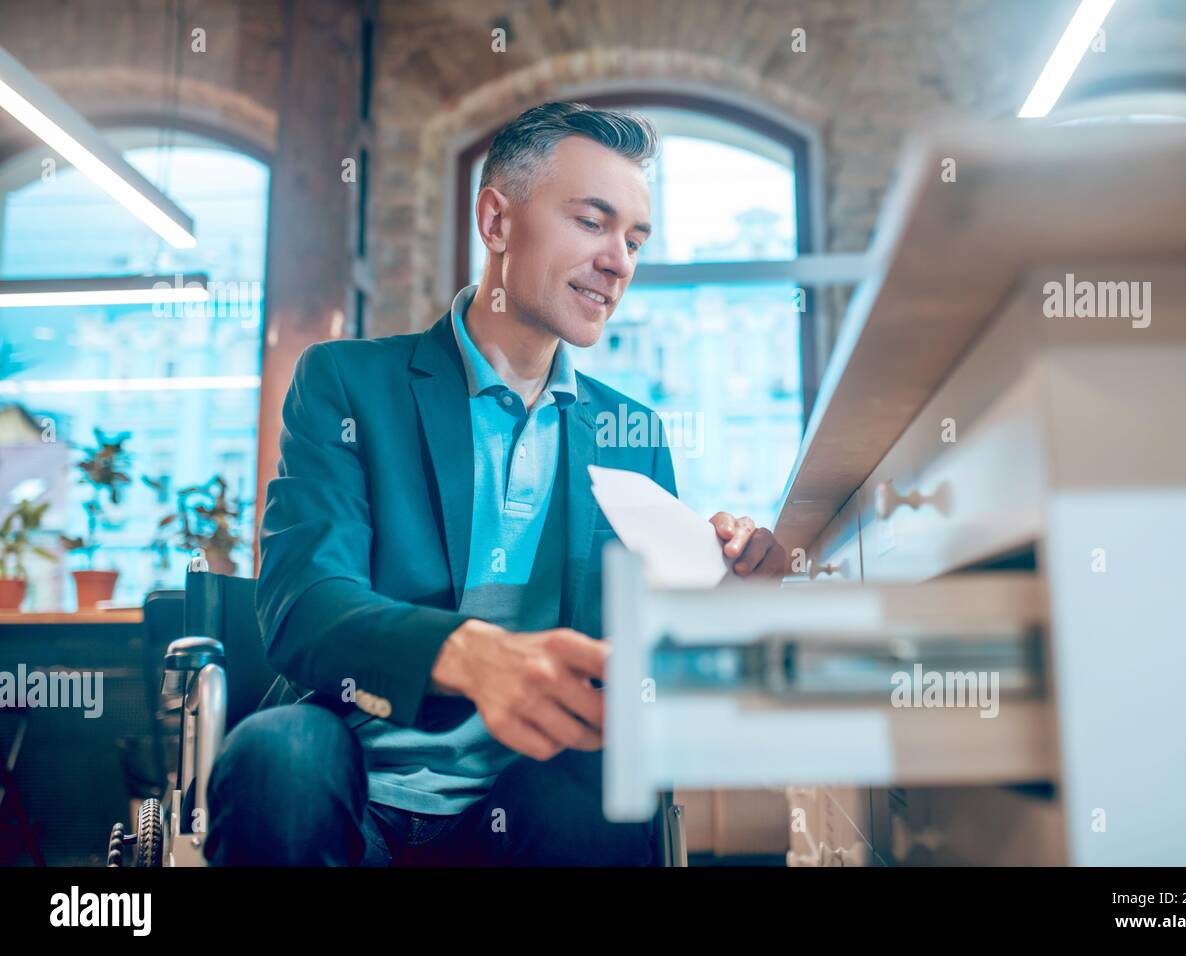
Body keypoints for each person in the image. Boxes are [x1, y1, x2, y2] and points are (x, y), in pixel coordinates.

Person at [205, 101, 787, 866]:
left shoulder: (632, 433)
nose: (620, 261)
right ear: (496, 221)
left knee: (605, 791)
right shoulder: (348, 383)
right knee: (275, 754)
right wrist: (473, 654)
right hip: (349, 774)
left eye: (635, 239)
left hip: (524, 802)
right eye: (592, 222)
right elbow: (305, 606)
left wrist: (725, 608)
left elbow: (644, 672)